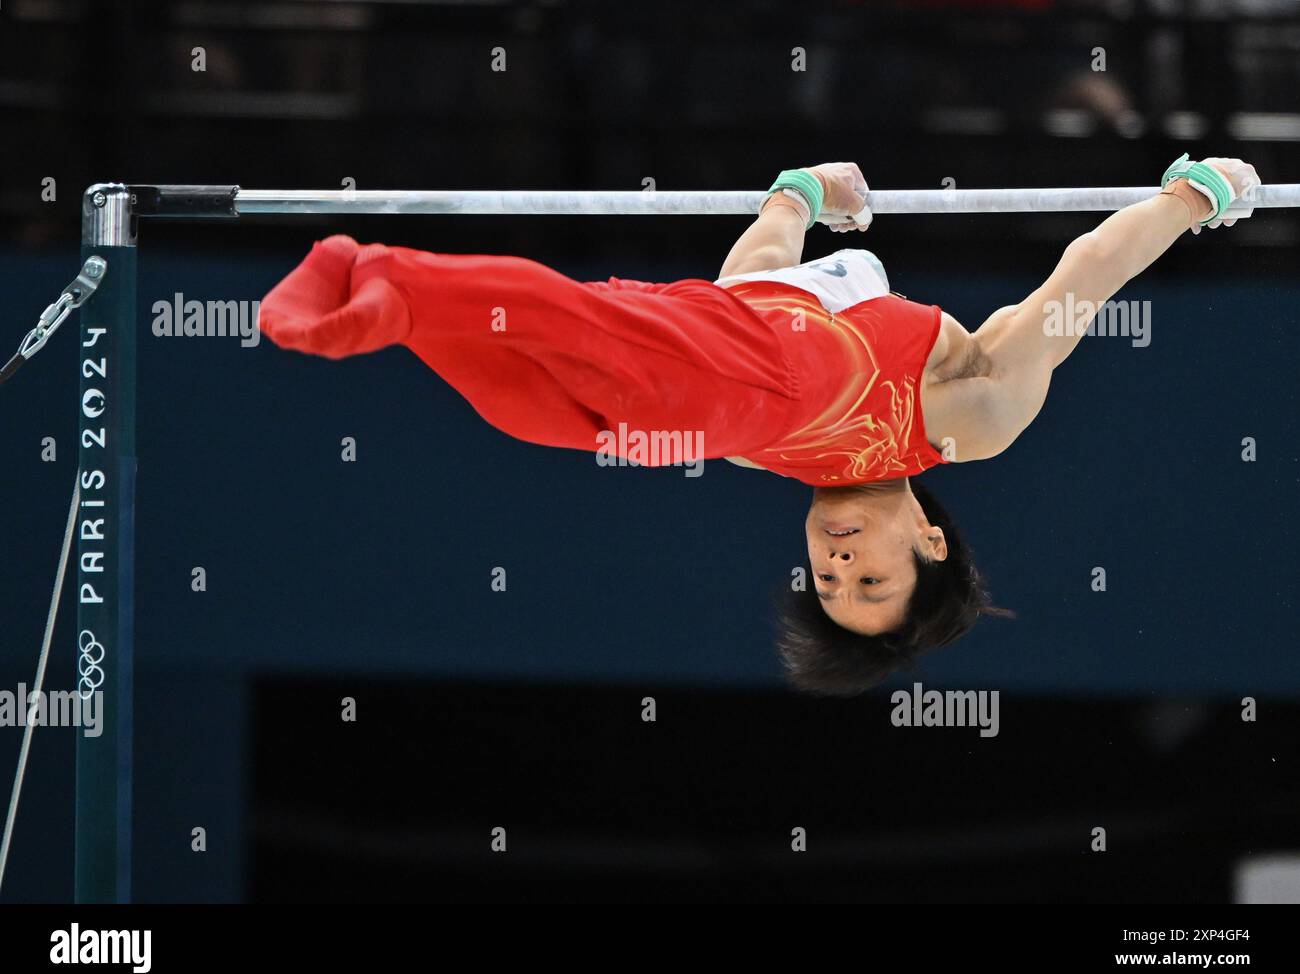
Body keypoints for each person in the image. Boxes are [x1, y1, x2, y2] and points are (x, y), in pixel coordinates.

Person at [258, 154, 1261, 694]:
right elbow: (1079, 282)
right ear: (928, 537)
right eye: (867, 577)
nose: (834, 562)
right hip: (715, 363)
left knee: (540, 415)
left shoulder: (755, 456)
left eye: (827, 583)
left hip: (699, 354)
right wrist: (1188, 198)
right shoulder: (971, 419)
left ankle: (390, 315)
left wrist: (799, 193)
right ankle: (385, 278)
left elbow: (761, 259)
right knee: (642, 372)